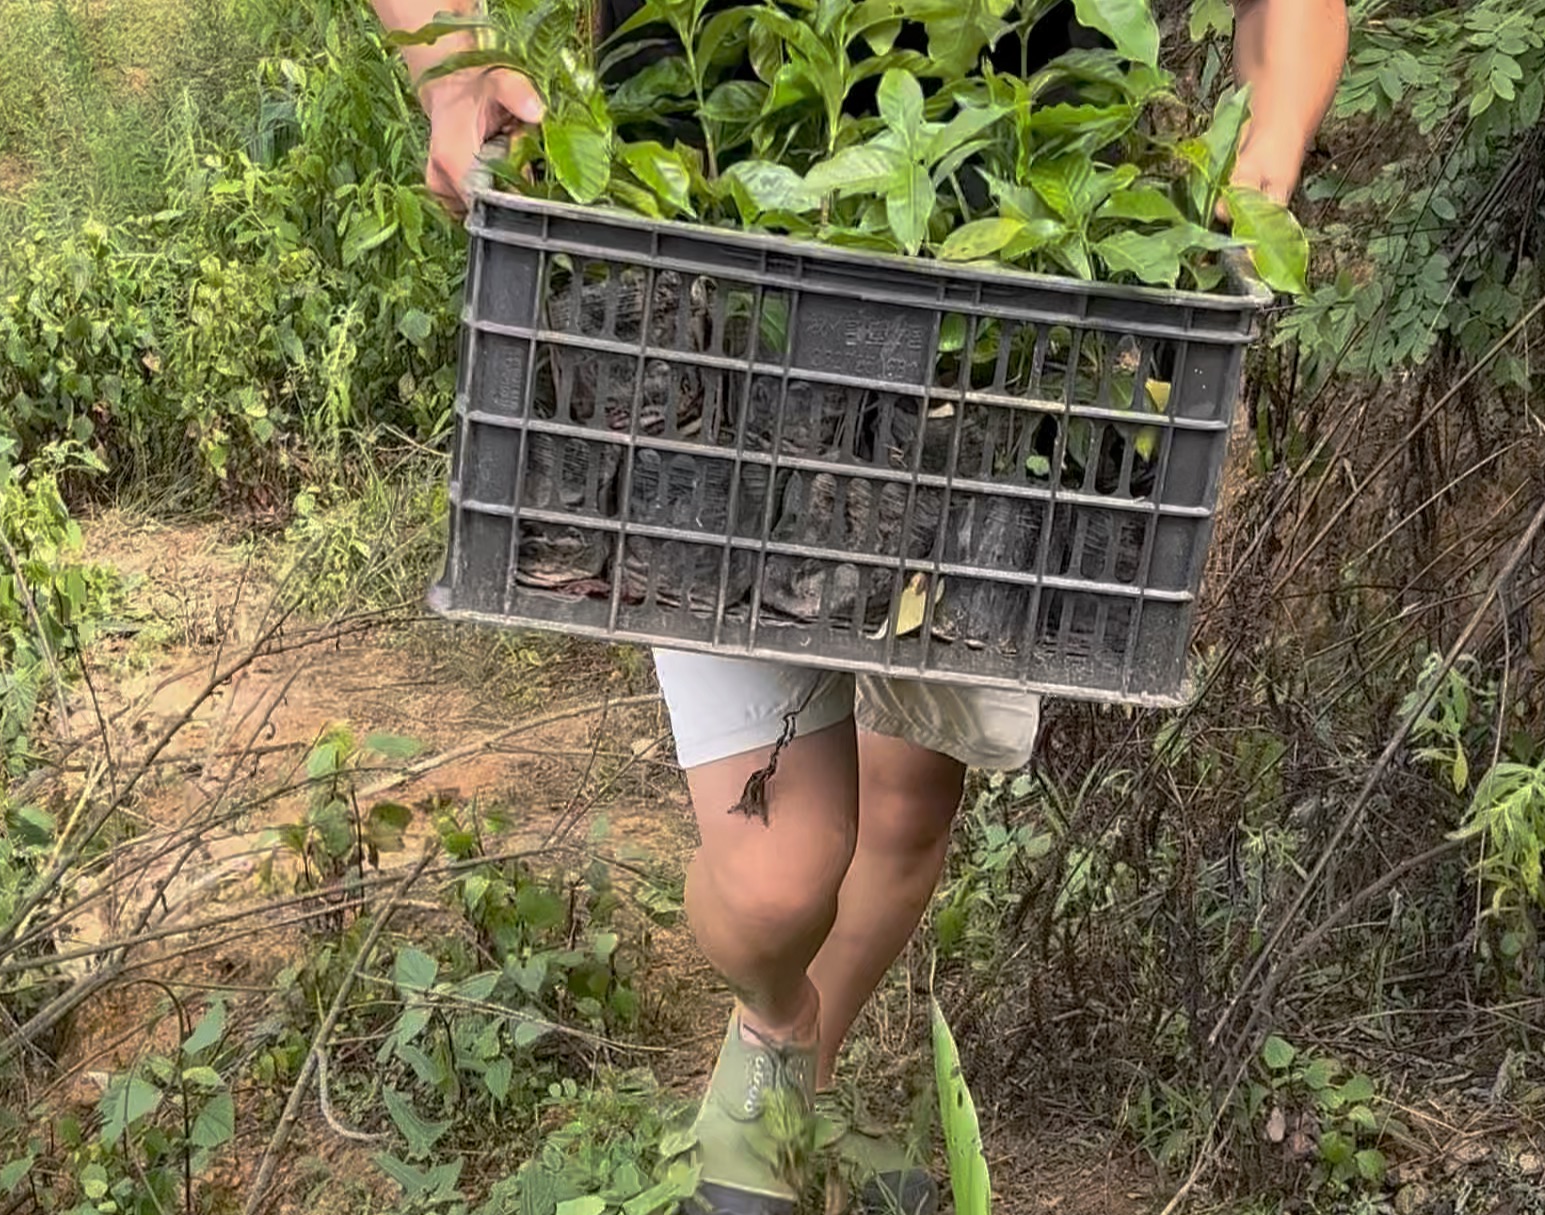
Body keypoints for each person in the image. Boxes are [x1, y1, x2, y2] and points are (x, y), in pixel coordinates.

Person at [369, 0, 1345, 1210]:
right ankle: (777, 1022)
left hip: (1006, 327)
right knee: (784, 873)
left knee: (904, 811)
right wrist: (448, 64)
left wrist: (1262, 164)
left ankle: (768, 1123)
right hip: (710, 306)